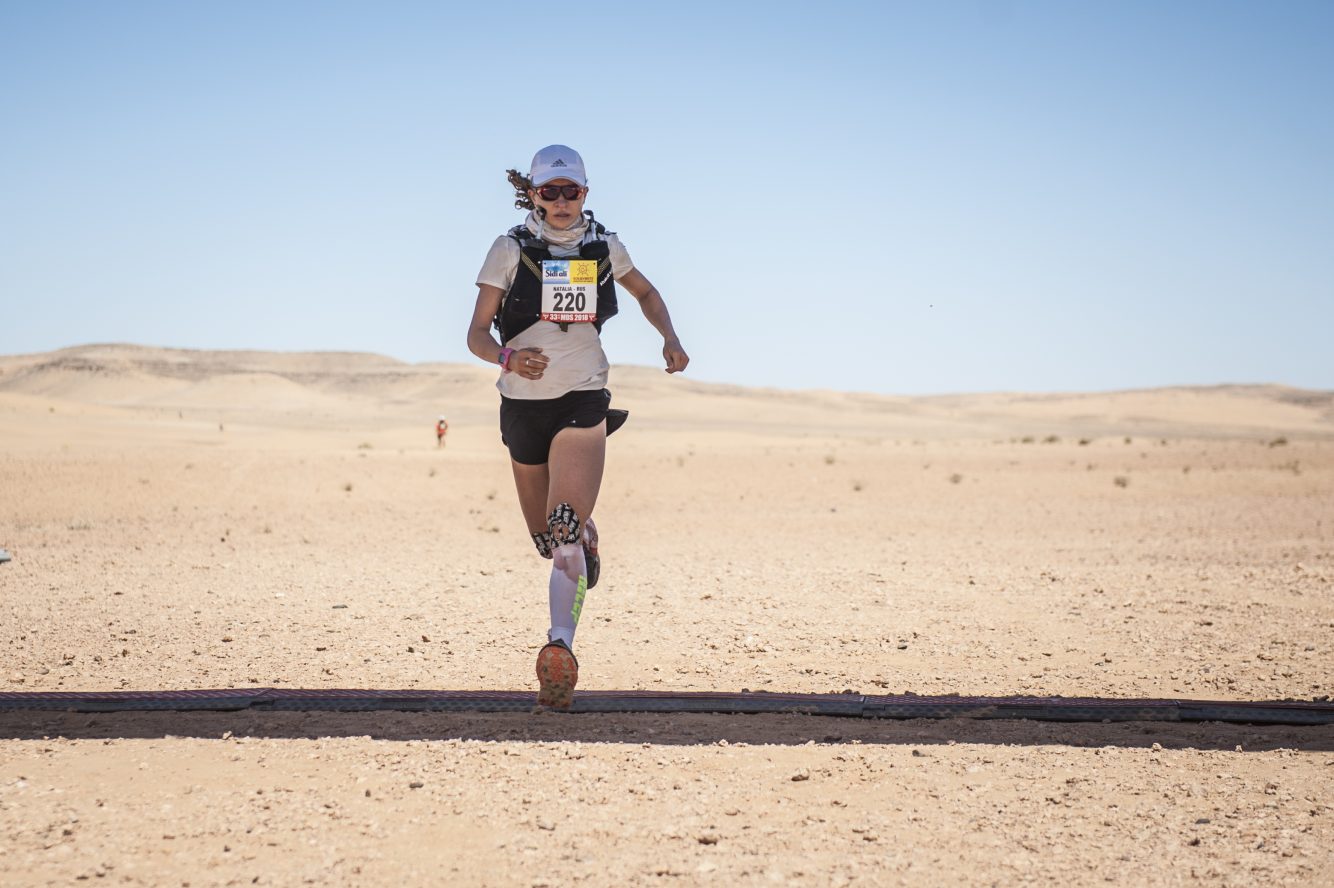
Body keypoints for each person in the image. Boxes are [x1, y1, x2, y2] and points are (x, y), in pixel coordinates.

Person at [466, 145, 689, 708]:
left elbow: (645, 291)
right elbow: (475, 334)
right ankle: (585, 537)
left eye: (573, 191)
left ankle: (558, 649)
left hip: (583, 395)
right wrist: (507, 359)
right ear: (534, 194)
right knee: (549, 541)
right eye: (551, 192)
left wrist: (670, 336)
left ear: (586, 193)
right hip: (521, 405)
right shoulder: (509, 249)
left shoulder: (604, 246)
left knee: (561, 528)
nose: (562, 202)